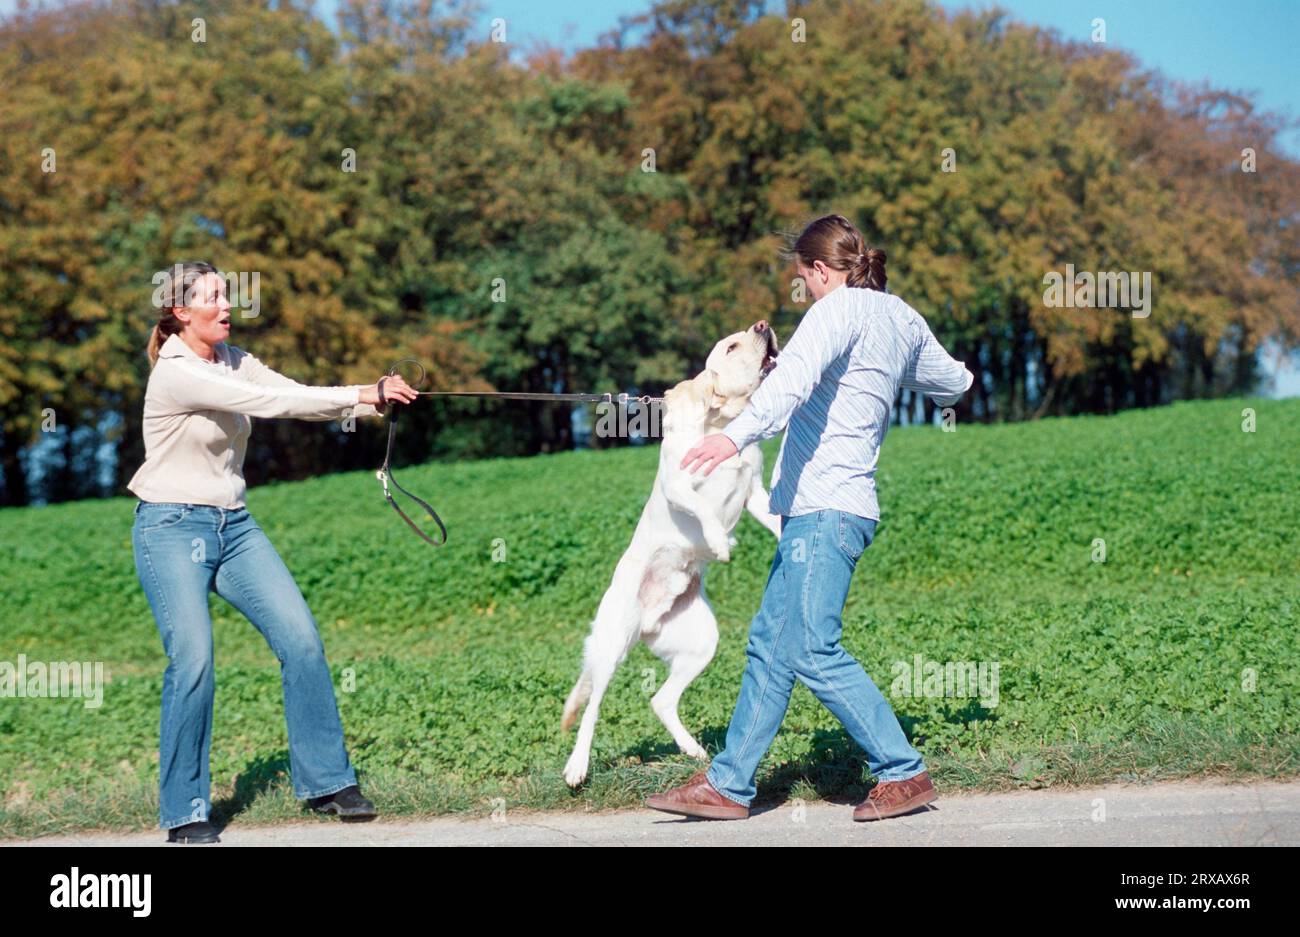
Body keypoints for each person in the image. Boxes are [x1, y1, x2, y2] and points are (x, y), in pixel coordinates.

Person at [645, 214, 973, 822]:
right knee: (771, 645)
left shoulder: (832, 313)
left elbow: (789, 387)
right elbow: (953, 382)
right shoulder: (901, 318)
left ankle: (903, 770)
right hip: (830, 512)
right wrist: (882, 369)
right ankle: (729, 784)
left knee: (814, 649)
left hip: (826, 507)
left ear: (820, 270)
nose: (804, 289)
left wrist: (733, 436)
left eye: (803, 276)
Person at [128, 261, 418, 843]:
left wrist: (369, 402)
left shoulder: (234, 359)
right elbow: (266, 402)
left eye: (227, 295)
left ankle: (328, 784)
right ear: (181, 312)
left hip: (234, 525)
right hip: (171, 526)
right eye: (214, 297)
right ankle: (185, 813)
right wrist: (365, 392)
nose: (228, 306)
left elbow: (292, 392)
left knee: (301, 639)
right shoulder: (177, 372)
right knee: (194, 660)